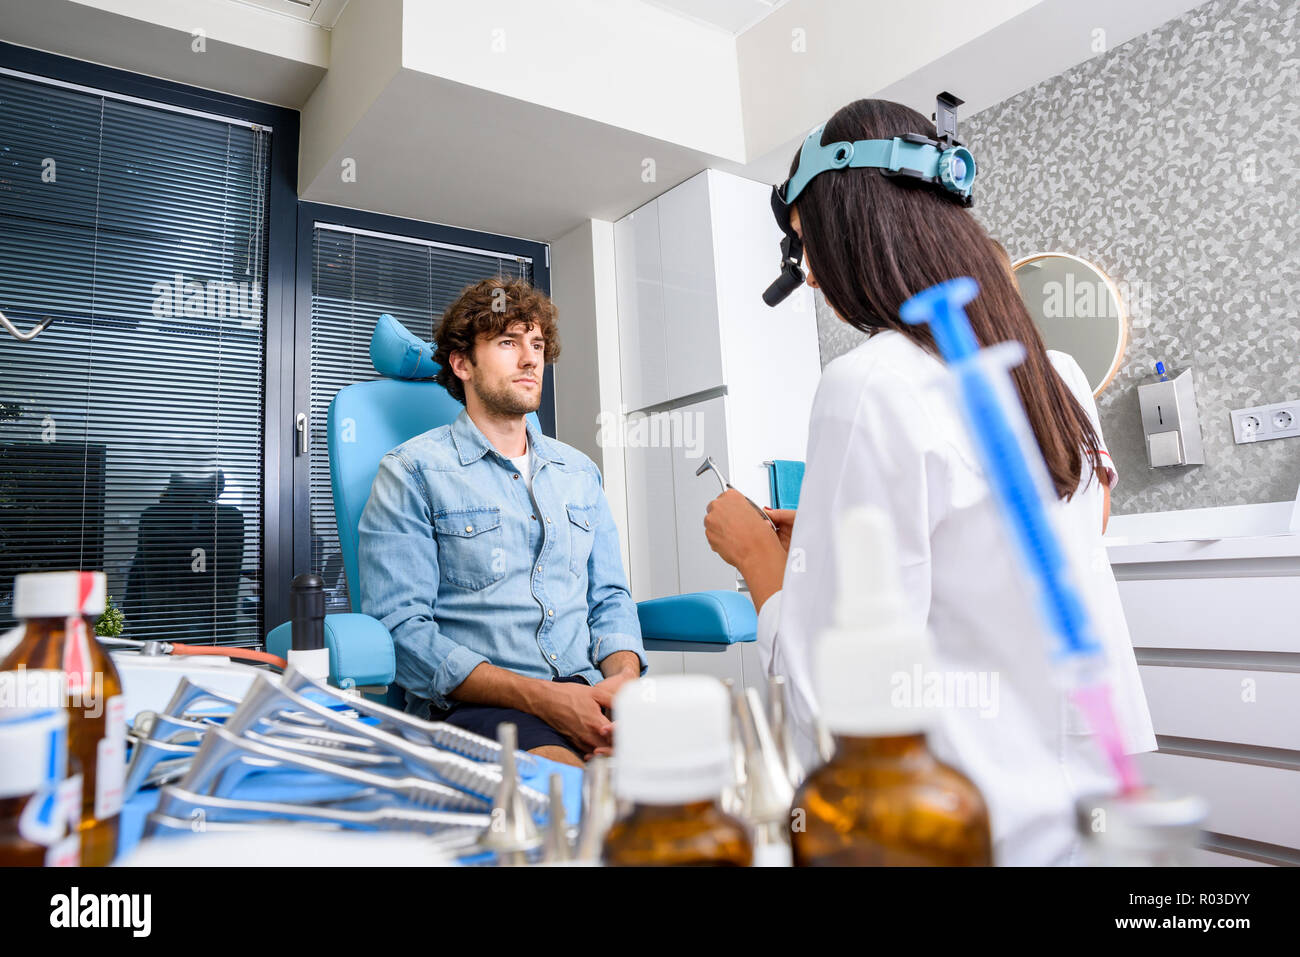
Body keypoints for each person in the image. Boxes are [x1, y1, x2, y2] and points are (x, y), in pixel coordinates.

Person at [703, 98, 1155, 865]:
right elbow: (1038, 545)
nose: (810, 281)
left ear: (852, 234)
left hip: (962, 828)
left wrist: (759, 561)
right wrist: (832, 548)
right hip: (1086, 816)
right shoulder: (1062, 378)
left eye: (808, 249)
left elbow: (839, 699)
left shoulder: (870, 384)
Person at [357, 278, 646, 768]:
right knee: (575, 794)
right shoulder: (411, 472)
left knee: (699, 780)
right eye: (508, 342)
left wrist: (623, 681)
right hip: (481, 706)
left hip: (589, 692)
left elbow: (611, 599)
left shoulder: (579, 472)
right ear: (462, 363)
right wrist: (543, 698)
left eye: (536, 344)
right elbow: (405, 633)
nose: (530, 358)